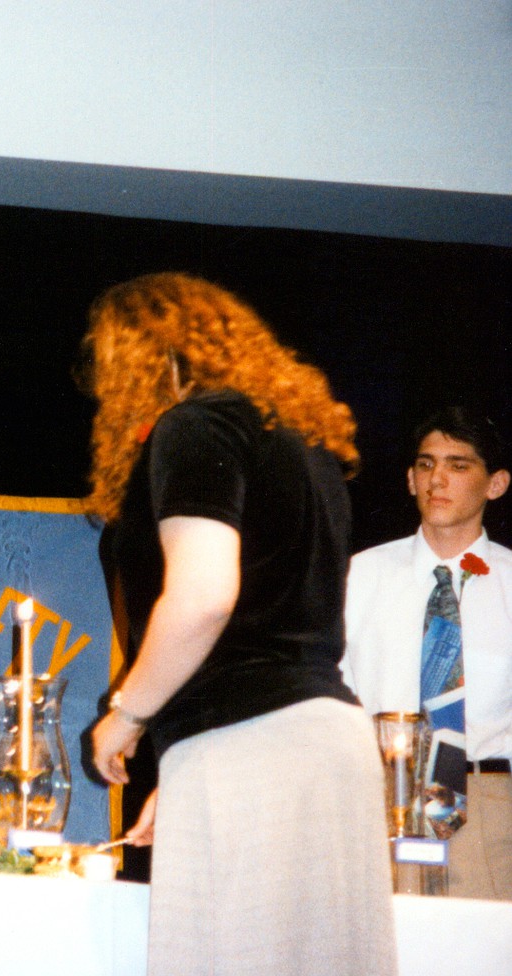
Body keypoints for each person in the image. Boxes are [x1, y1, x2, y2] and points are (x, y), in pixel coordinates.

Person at [83, 273, 395, 974]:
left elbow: (203, 598)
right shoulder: (296, 440)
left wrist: (128, 714)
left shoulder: (192, 423)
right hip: (320, 746)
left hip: (258, 749)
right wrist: (193, 761)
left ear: (148, 356)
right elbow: (271, 621)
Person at [342, 407, 511, 899]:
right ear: (410, 479)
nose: (438, 478)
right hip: (373, 801)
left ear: (495, 484)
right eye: (425, 464)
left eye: (458, 466)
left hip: (488, 808)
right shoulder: (359, 575)